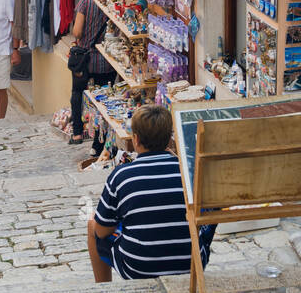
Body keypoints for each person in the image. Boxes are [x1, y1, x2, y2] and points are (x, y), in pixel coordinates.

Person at [87, 104, 216, 283]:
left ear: (136, 139)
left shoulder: (121, 175)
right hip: (191, 263)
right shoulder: (189, 171)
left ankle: (104, 289)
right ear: (169, 139)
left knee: (93, 223)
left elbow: (101, 231)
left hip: (137, 266)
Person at [68, 0, 117, 146]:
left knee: (77, 93)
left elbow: (77, 31)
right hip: (105, 62)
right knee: (104, 99)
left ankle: (77, 133)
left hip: (84, 61)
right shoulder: (112, 4)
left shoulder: (86, 3)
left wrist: (79, 36)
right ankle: (99, 140)